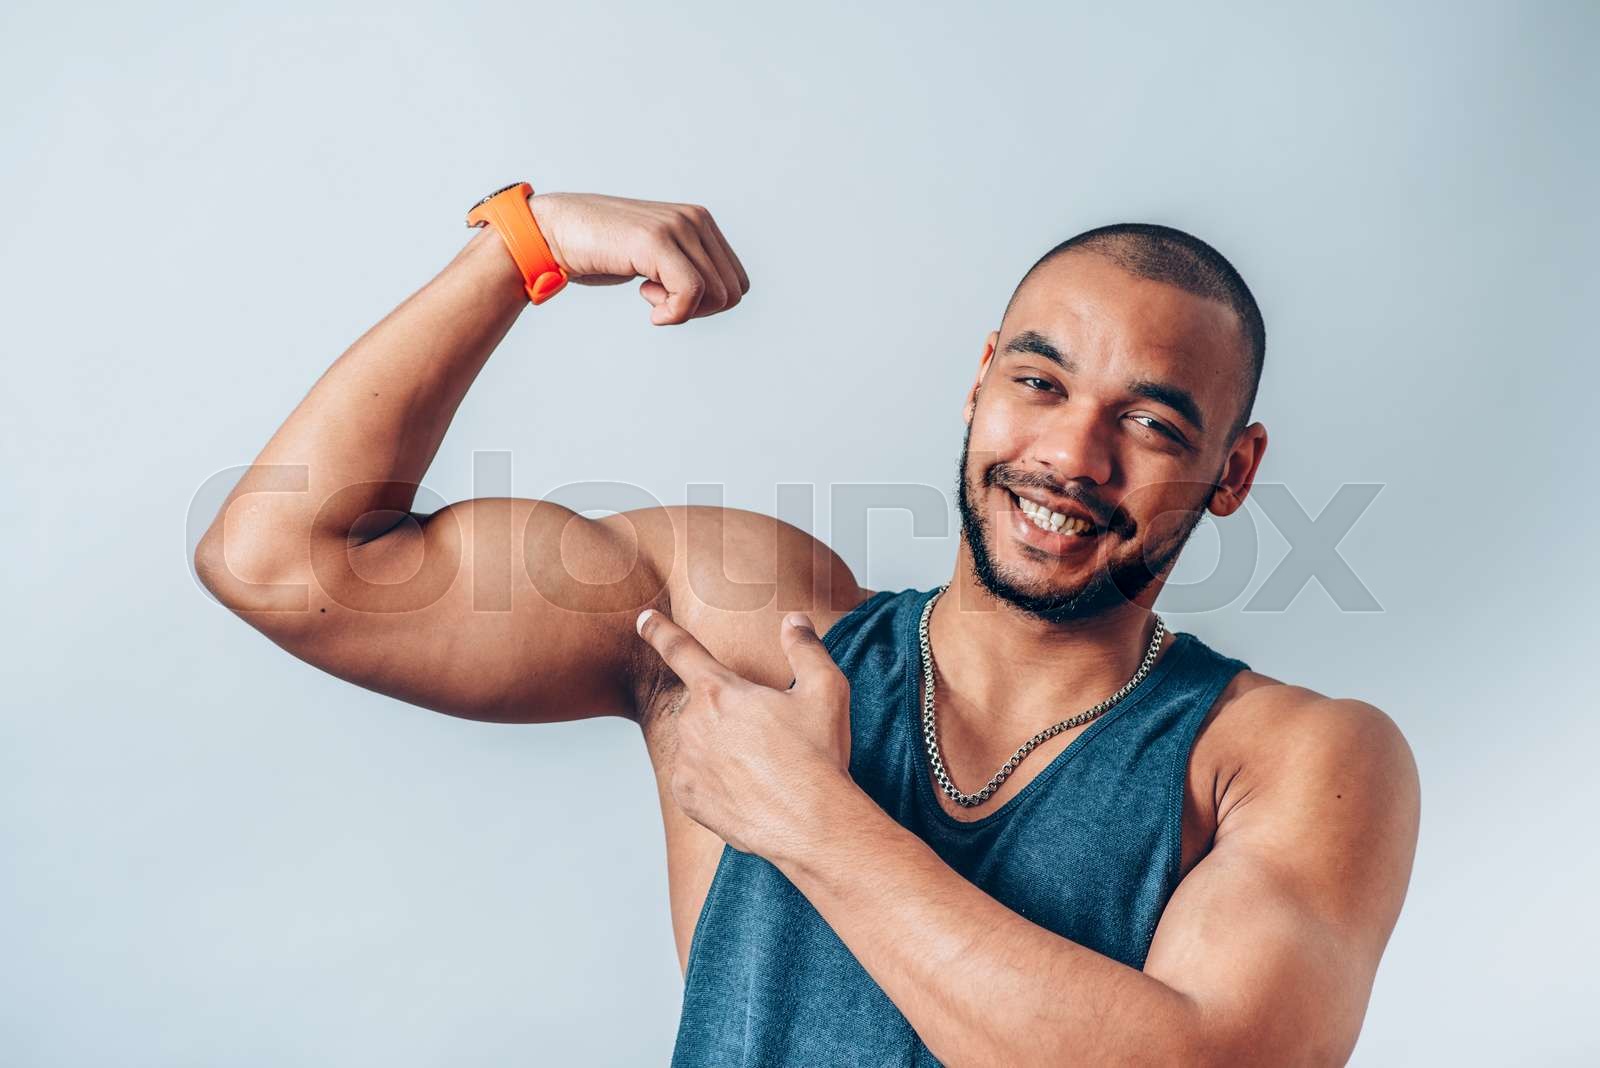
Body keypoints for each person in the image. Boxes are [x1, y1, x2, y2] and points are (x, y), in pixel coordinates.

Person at [195, 186, 1420, 1065]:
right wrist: (524, 247)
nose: (1069, 455)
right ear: (980, 379)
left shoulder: (1289, 756)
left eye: (1150, 423)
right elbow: (282, 563)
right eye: (1037, 383)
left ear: (1233, 467)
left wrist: (813, 822)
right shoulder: (745, 622)